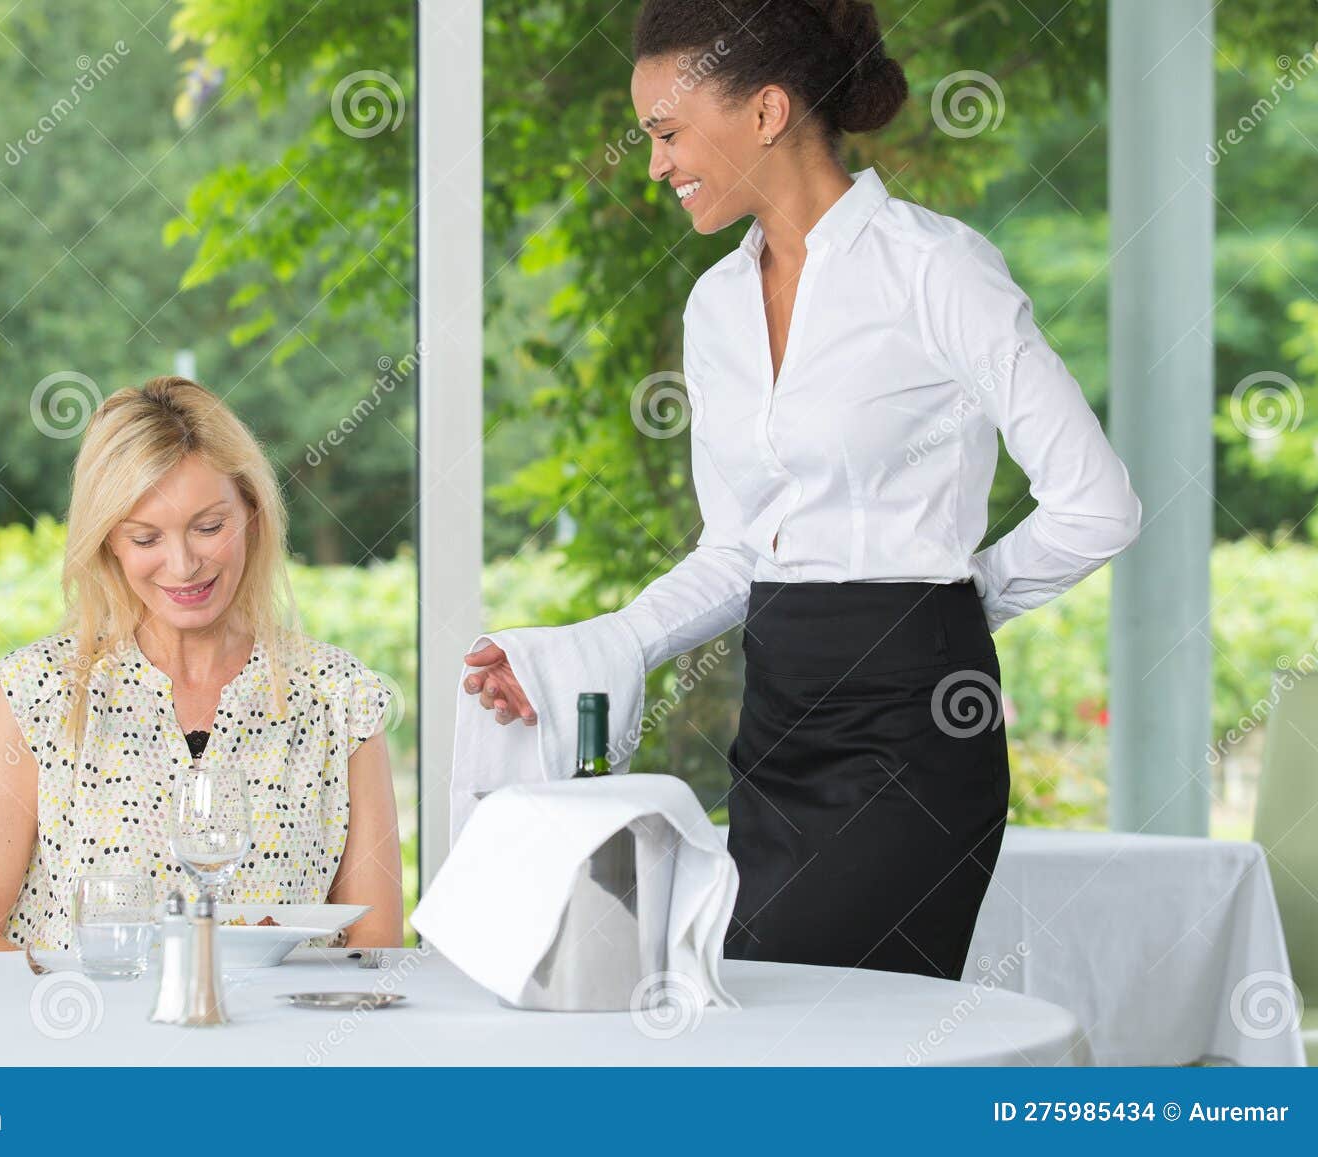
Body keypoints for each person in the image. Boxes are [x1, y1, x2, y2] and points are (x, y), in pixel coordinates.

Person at [464, 0, 1141, 981]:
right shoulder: (718, 304)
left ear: (766, 111)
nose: (652, 161)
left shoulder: (934, 270)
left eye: (665, 130)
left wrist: (932, 610)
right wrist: (584, 647)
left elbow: (1097, 505)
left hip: (916, 729)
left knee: (835, 1023)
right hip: (777, 718)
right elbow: (738, 547)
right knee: (757, 1005)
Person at [0, 376, 402, 952]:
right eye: (145, 537)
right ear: (108, 541)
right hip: (85, 1035)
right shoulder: (41, 691)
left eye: (209, 527)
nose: (183, 566)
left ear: (252, 516)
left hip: (282, 1038)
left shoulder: (339, 697)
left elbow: (375, 945)